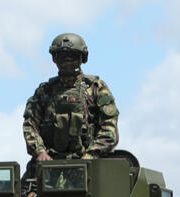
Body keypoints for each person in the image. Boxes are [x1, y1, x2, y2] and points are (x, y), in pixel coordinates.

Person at [22, 33, 119, 162]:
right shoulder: (44, 92)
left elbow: (109, 126)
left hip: (90, 164)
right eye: (62, 56)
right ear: (55, 58)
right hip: (49, 166)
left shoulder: (96, 88)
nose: (67, 60)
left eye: (72, 56)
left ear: (82, 58)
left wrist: (92, 154)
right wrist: (40, 152)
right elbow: (30, 124)